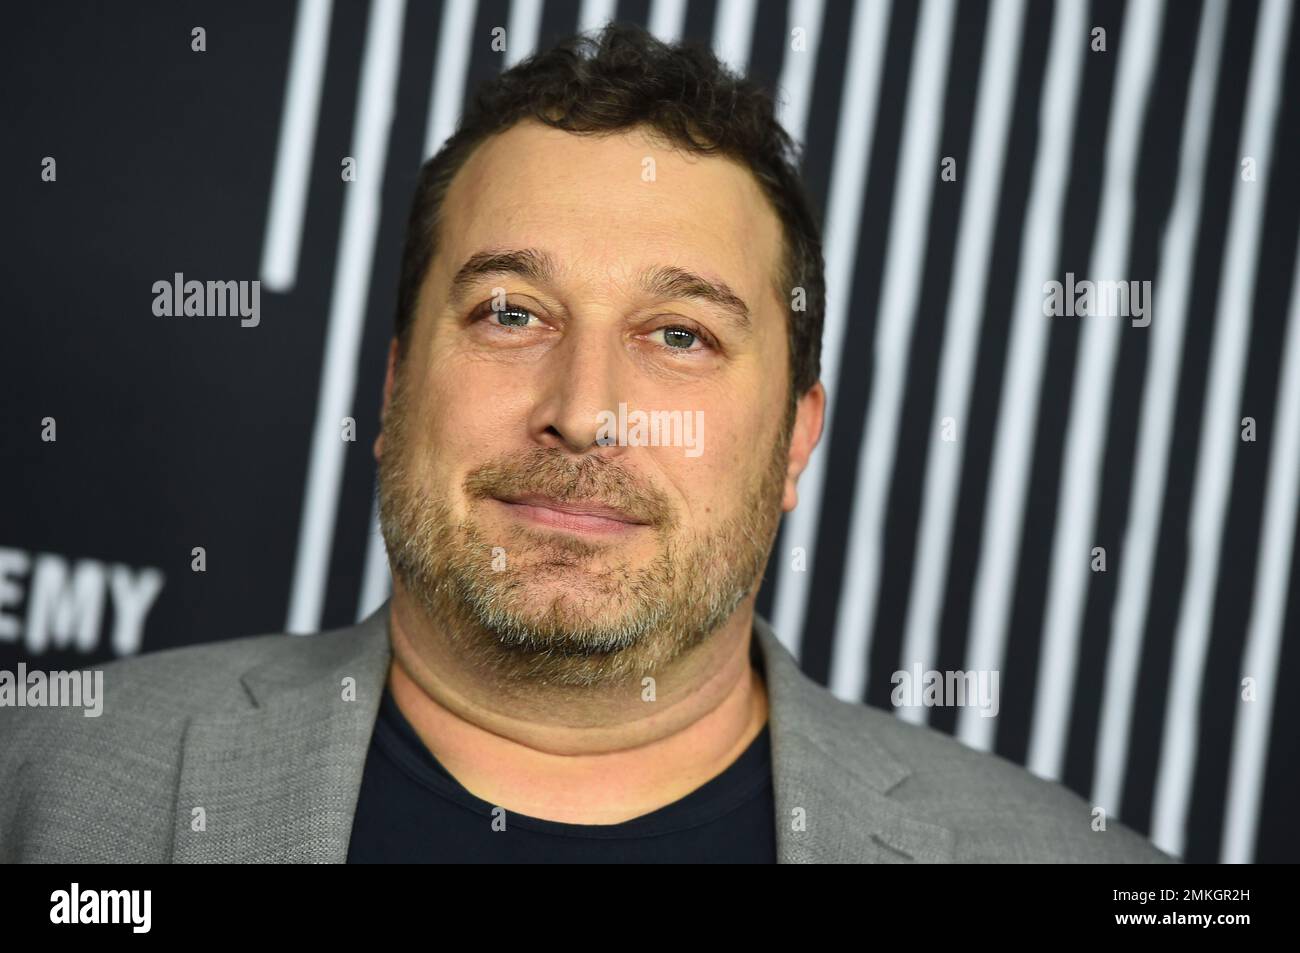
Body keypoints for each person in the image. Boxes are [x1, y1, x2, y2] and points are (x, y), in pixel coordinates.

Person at [0, 23, 1173, 864]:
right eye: (511, 312)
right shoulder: (40, 785)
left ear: (794, 443)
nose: (587, 409)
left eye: (680, 333)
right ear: (398, 384)